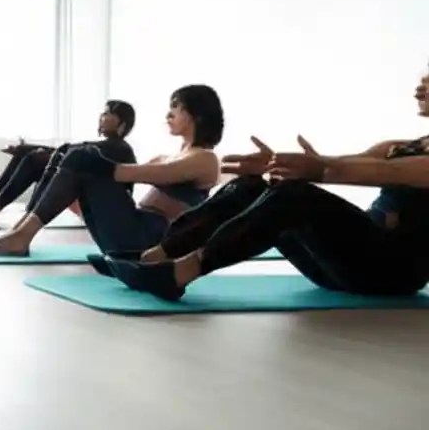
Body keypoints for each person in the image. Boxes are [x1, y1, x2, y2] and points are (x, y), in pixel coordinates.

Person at [96, 67, 429, 301]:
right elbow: (351, 163)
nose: (420, 85)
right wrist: (277, 167)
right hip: (341, 266)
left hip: (391, 274)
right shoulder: (398, 146)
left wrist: (320, 171)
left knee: (294, 196)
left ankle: (182, 273)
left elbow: (380, 173)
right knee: (254, 186)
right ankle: (153, 257)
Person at [0, 84, 224, 256]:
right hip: (131, 232)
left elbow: (139, 174)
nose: (168, 114)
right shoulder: (167, 155)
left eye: (176, 108)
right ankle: (20, 232)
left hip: (150, 240)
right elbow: (127, 178)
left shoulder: (205, 159)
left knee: (81, 157)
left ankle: (21, 235)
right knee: (74, 158)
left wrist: (87, 162)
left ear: (197, 115)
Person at [0, 100, 137, 228]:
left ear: (123, 123)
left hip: (99, 208)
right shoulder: (103, 146)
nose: (102, 117)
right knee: (29, 156)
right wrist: (25, 148)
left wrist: (33, 151)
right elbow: (68, 150)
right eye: (102, 113)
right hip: (87, 197)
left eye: (109, 114)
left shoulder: (118, 148)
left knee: (36, 159)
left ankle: (6, 217)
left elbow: (70, 152)